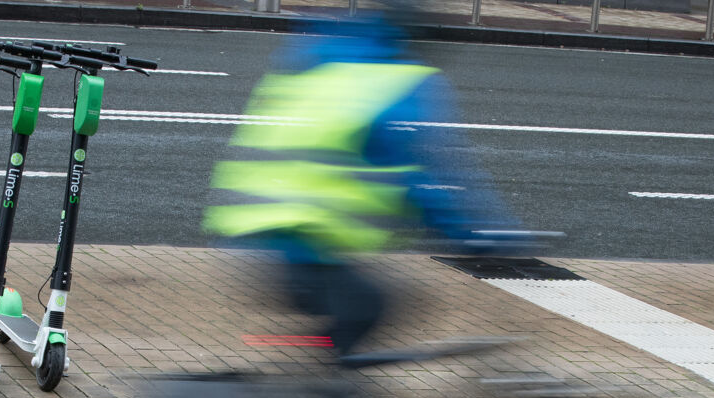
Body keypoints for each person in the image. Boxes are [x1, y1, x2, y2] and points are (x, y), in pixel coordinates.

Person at [203, 14, 525, 360]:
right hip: (292, 241)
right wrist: (472, 236)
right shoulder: (392, 85)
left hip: (252, 232)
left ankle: (317, 375)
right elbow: (417, 179)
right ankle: (321, 387)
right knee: (372, 306)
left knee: (355, 312)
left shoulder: (322, 64)